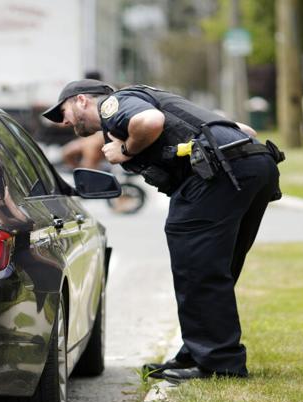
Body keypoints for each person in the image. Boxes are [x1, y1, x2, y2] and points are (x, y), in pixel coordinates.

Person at [42, 78, 282, 383]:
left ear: (81, 100)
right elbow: (245, 130)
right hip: (254, 164)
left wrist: (125, 149)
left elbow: (150, 122)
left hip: (219, 174)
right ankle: (198, 353)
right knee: (216, 268)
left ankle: (219, 363)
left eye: (62, 112)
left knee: (197, 267)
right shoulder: (154, 97)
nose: (62, 122)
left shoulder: (112, 107)